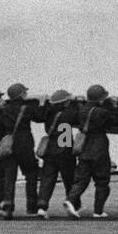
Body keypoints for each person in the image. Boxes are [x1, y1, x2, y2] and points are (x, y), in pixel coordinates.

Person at [65, 84, 118, 218]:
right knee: (102, 181)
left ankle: (71, 199)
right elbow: (116, 120)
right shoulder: (102, 112)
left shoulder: (81, 110)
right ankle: (98, 211)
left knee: (81, 179)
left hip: (84, 146)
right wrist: (114, 106)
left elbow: (72, 119)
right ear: (100, 99)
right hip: (99, 146)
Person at [0, 83, 40, 219]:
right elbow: (39, 117)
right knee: (31, 174)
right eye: (24, 93)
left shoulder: (4, 109)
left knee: (9, 177)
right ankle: (32, 207)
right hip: (25, 144)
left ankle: (8, 207)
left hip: (9, 144)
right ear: (21, 94)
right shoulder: (26, 107)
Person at [35, 89, 79, 218]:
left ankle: (42, 206)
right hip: (65, 150)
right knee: (69, 179)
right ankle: (73, 204)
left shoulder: (48, 114)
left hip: (50, 150)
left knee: (47, 179)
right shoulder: (69, 113)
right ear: (65, 102)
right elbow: (78, 115)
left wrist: (43, 104)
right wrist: (76, 103)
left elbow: (39, 115)